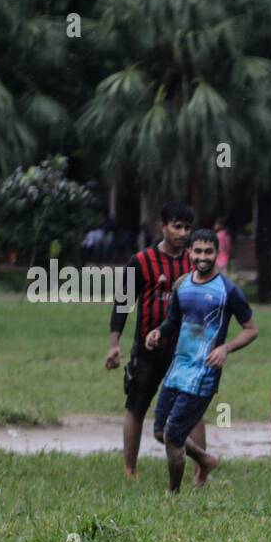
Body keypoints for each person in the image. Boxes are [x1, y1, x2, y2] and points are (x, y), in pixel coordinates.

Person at [144, 228, 258, 493]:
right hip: (178, 369)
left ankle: (172, 494)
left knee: (173, 436)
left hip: (204, 373)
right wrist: (158, 332)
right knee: (160, 431)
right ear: (189, 253)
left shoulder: (228, 291)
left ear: (217, 254)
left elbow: (252, 329)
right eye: (198, 251)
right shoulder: (182, 285)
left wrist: (226, 348)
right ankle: (205, 460)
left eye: (208, 251)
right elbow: (173, 321)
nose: (203, 256)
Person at [104, 201, 200, 480]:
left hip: (185, 350)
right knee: (137, 407)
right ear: (163, 227)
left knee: (193, 409)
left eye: (187, 228)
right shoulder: (142, 261)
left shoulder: (194, 261)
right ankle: (130, 470)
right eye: (177, 226)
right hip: (148, 351)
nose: (183, 233)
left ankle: (200, 473)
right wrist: (114, 344)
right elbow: (122, 304)